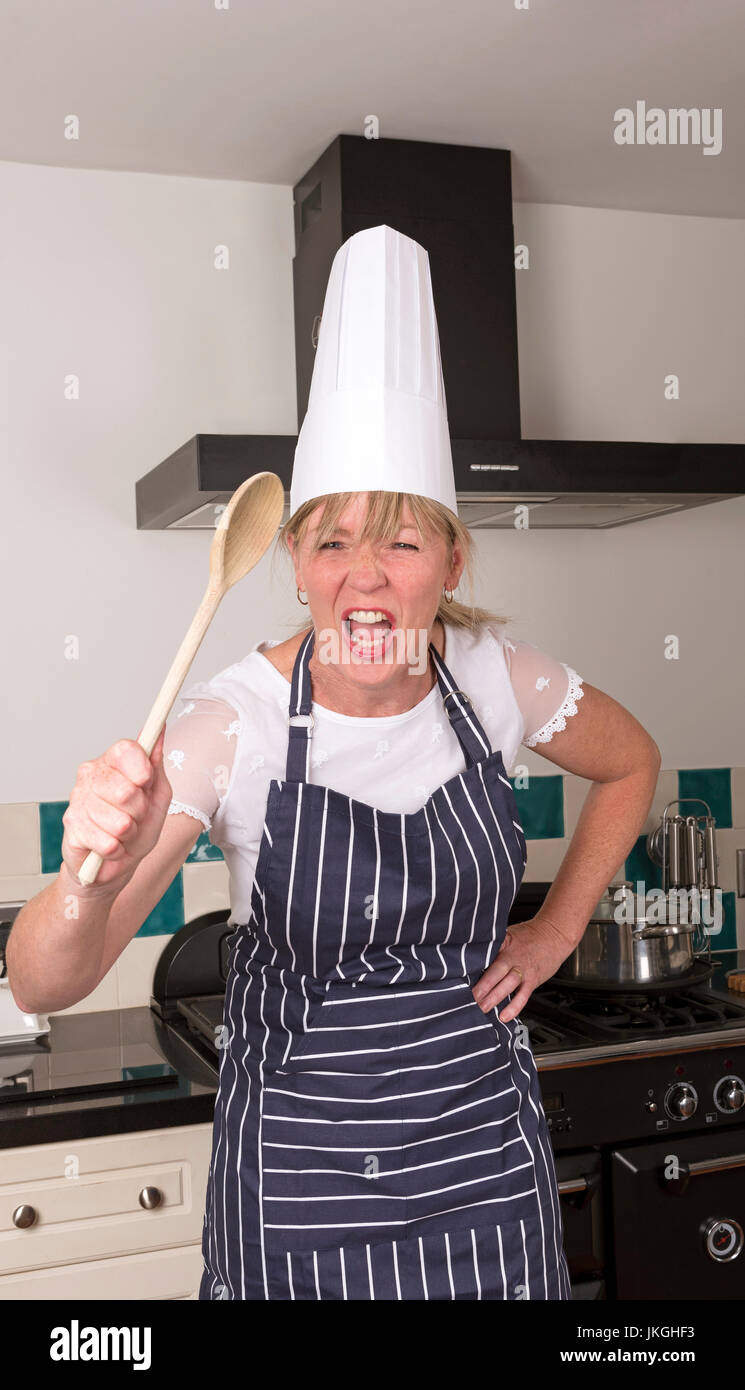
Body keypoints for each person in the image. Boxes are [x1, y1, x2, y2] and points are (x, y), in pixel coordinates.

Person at [7, 227, 661, 1301]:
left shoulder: (497, 677)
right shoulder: (231, 725)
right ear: (296, 563)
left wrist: (553, 932)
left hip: (480, 1174)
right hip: (300, 1195)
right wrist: (87, 868)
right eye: (333, 541)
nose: (366, 575)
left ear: (449, 560)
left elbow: (630, 760)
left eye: (402, 541)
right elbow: (43, 977)